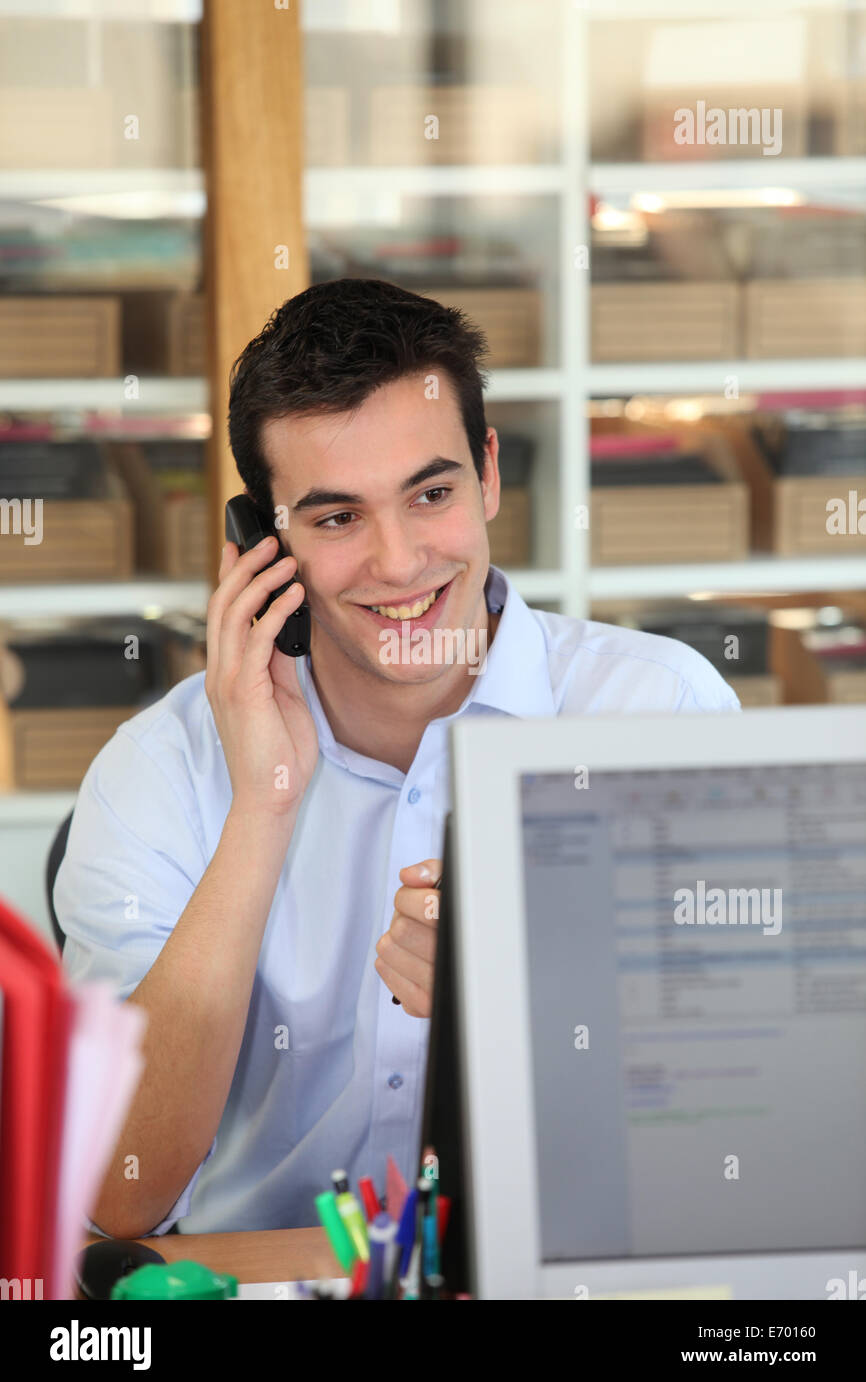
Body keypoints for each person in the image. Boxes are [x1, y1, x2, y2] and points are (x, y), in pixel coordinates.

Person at [54, 278, 739, 1239]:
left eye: (432, 494)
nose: (400, 562)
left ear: (489, 473)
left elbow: (745, 1127)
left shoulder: (660, 713)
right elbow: (121, 1195)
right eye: (335, 518)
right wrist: (264, 805)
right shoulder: (154, 773)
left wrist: (526, 1003)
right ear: (263, 538)